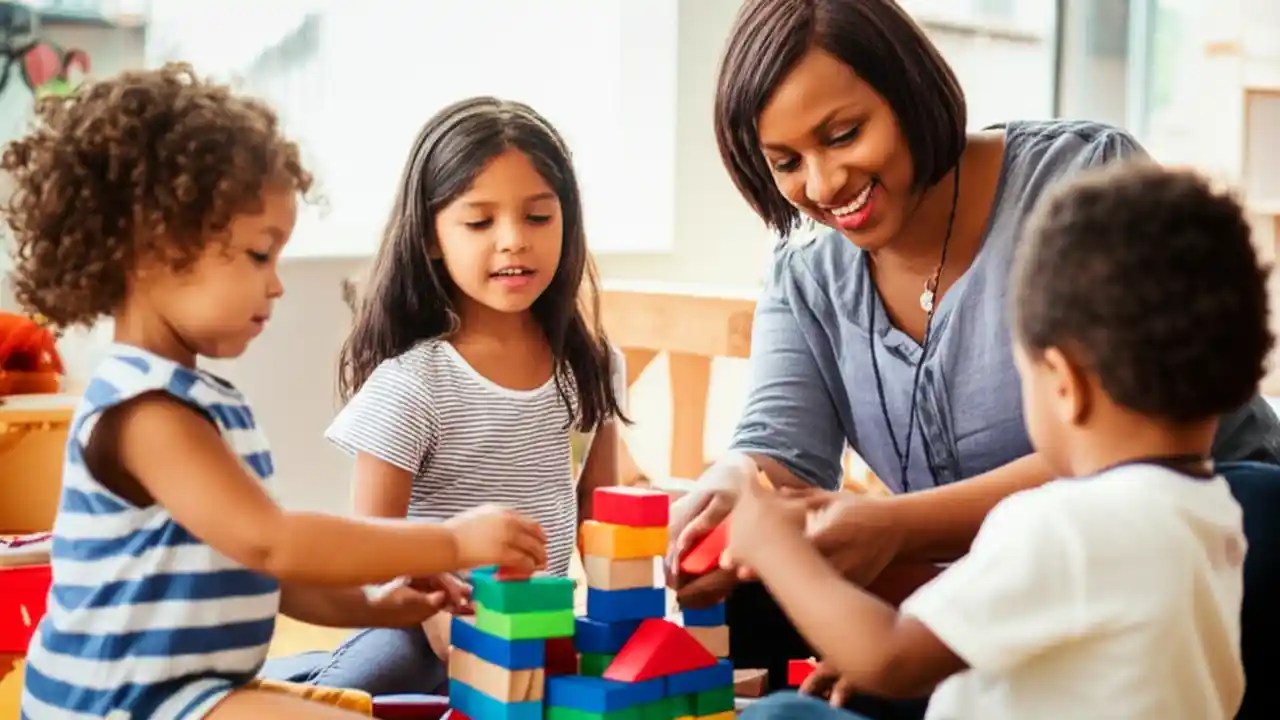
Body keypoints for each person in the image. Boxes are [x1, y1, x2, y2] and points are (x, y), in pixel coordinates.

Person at [666, 0, 1280, 706]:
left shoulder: (1078, 182)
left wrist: (896, 528)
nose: (824, 183)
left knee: (1256, 505)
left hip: (1204, 547)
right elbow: (774, 450)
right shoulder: (805, 271)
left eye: (843, 134)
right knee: (764, 589)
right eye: (786, 162)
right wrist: (731, 489)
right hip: (987, 593)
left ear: (906, 90)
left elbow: (1135, 446)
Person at [3, 64, 548, 719]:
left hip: (184, 692)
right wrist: (453, 542)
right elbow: (275, 542)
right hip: (115, 703)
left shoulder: (200, 401)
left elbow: (266, 574)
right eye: (260, 255)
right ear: (152, 253)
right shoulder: (145, 414)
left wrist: (370, 604)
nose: (277, 284)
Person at [729, 161, 1261, 720]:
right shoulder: (1214, 517)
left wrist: (772, 543)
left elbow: (890, 658)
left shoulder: (1059, 523)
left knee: (779, 717)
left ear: (1065, 383)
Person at [260, 96, 627, 696]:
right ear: (432, 238)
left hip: (540, 629)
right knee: (349, 700)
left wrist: (623, 625)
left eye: (538, 217)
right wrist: (438, 625)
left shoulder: (592, 365)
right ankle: (293, 682)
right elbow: (372, 548)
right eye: (480, 222)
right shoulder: (414, 384)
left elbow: (603, 515)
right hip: (420, 629)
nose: (513, 241)